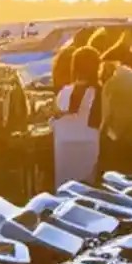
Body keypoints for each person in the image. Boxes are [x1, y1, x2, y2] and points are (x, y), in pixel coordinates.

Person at [53, 46, 103, 186]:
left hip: (64, 147)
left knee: (65, 188)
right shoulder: (99, 92)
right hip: (90, 145)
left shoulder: (65, 92)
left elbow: (56, 117)